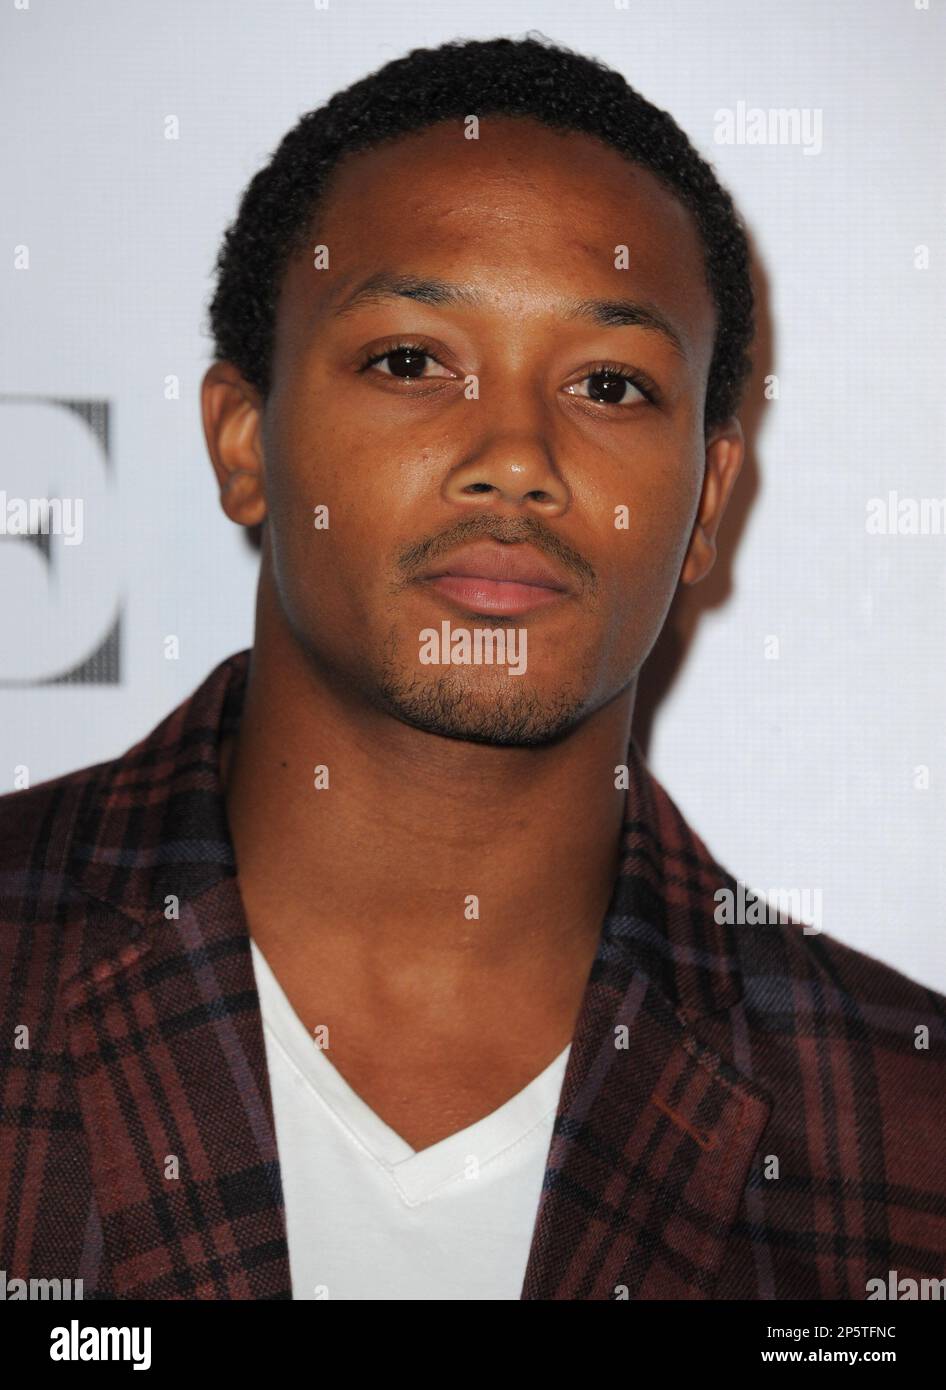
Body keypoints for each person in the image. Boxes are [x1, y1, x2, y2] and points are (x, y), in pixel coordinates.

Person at [1, 35, 943, 1302]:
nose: (514, 455)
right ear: (243, 439)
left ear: (709, 496)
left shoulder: (905, 1124)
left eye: (609, 383)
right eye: (409, 362)